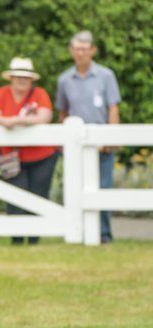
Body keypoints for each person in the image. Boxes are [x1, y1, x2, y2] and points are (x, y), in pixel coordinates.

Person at [56, 30, 122, 244]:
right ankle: (79, 232)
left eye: (85, 49)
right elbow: (63, 112)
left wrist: (111, 137)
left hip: (101, 144)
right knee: (76, 188)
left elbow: (113, 108)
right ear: (71, 51)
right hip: (76, 145)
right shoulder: (65, 79)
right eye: (77, 49)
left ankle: (103, 234)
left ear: (92, 51)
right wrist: (63, 141)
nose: (81, 53)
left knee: (102, 187)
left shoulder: (105, 75)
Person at [0, 58, 58, 245]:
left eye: (26, 77)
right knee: (14, 196)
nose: (22, 81)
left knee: (38, 195)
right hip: (10, 155)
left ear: (31, 79)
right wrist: (6, 122)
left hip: (41, 156)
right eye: (18, 77)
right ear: (11, 78)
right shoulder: (1, 93)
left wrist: (17, 121)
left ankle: (34, 240)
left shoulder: (39, 94)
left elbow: (45, 116)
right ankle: (16, 239)